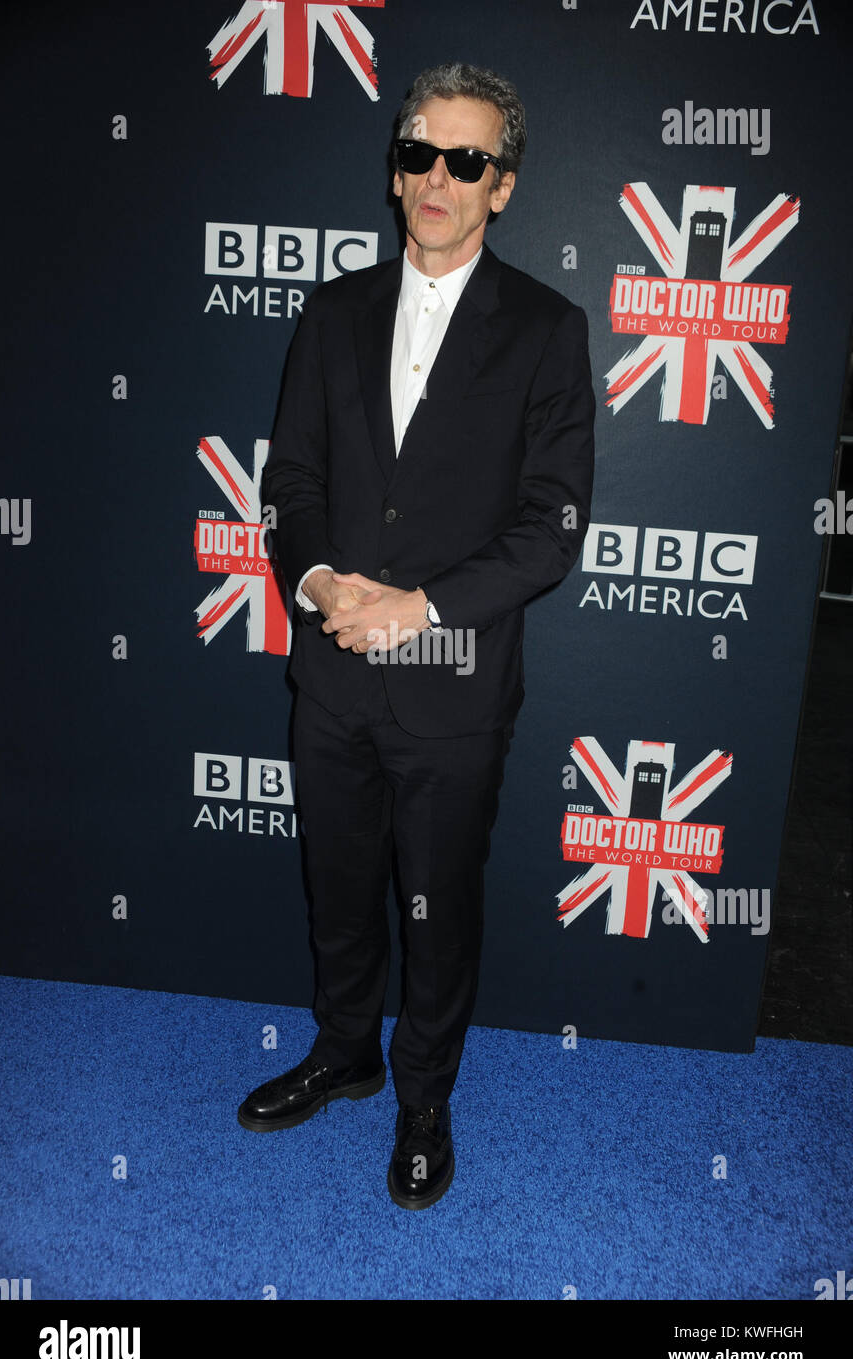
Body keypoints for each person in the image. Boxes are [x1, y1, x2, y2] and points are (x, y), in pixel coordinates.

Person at [238, 62, 595, 1210]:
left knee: (436, 906)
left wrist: (421, 607)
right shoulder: (332, 312)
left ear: (503, 186)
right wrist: (322, 575)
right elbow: (290, 480)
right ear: (396, 169)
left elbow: (554, 530)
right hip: (332, 678)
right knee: (336, 888)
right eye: (417, 151)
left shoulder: (546, 328)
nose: (436, 177)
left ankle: (424, 1098)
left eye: (466, 160)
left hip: (454, 692)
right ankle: (343, 1052)